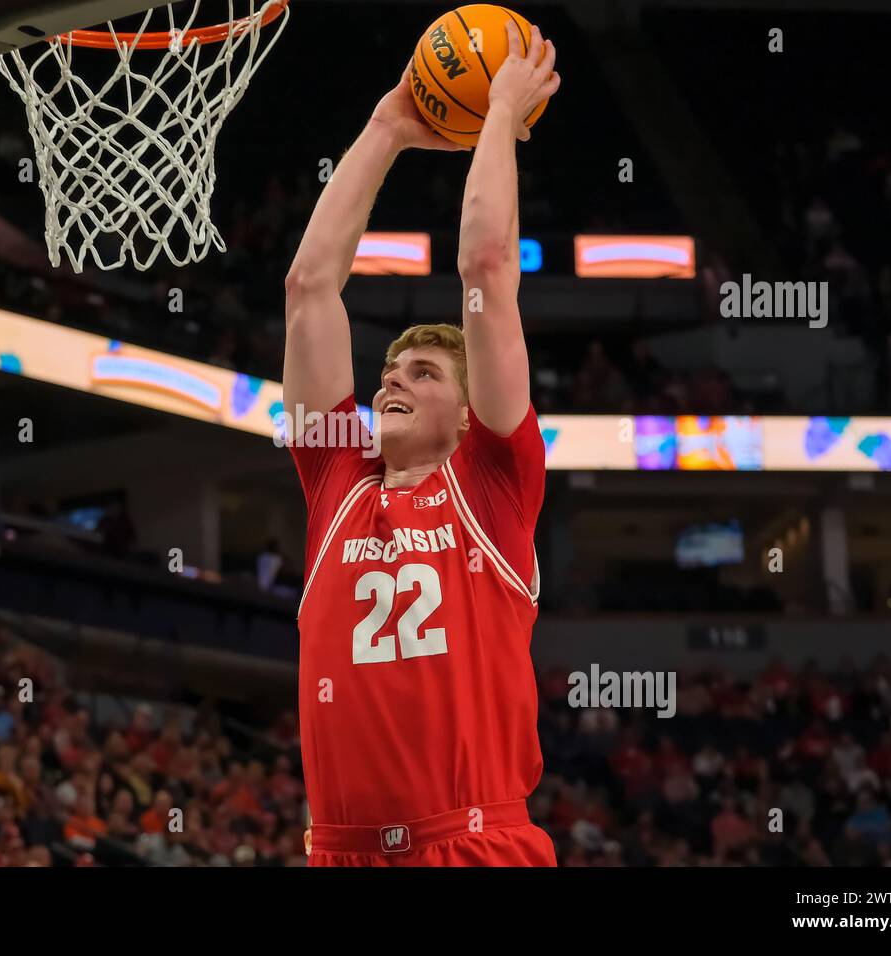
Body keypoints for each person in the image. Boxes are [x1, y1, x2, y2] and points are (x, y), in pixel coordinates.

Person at [282, 22, 560, 867]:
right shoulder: (338, 481)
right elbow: (309, 289)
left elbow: (484, 266)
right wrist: (386, 129)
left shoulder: (495, 484)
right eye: (392, 368)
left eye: (427, 373)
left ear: (474, 415)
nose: (393, 378)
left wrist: (501, 114)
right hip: (340, 852)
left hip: (474, 845)